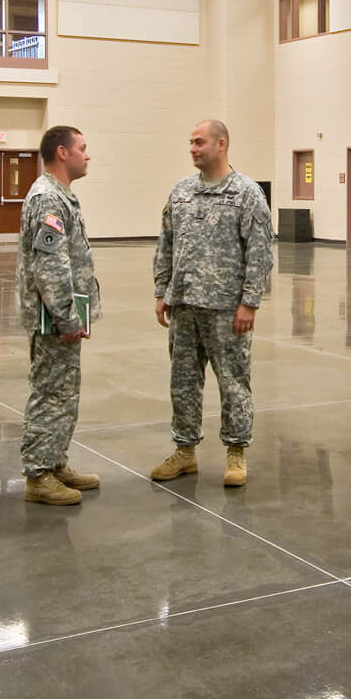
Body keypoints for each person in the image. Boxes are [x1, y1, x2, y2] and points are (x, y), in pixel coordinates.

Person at [151, 119, 273, 487]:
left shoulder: (246, 193)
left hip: (226, 310)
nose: (192, 148)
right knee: (183, 382)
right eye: (190, 142)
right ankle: (184, 451)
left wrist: (249, 302)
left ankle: (236, 452)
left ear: (222, 144)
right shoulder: (181, 192)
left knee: (234, 382)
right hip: (184, 306)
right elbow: (166, 243)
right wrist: (162, 291)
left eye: (199, 142)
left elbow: (260, 251)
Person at [16, 125, 103, 505]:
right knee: (50, 392)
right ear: (63, 153)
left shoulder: (62, 197)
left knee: (63, 393)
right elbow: (49, 267)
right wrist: (67, 317)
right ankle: (38, 475)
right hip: (55, 318)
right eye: (83, 148)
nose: (88, 154)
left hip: (65, 314)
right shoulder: (48, 200)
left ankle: (54, 462)